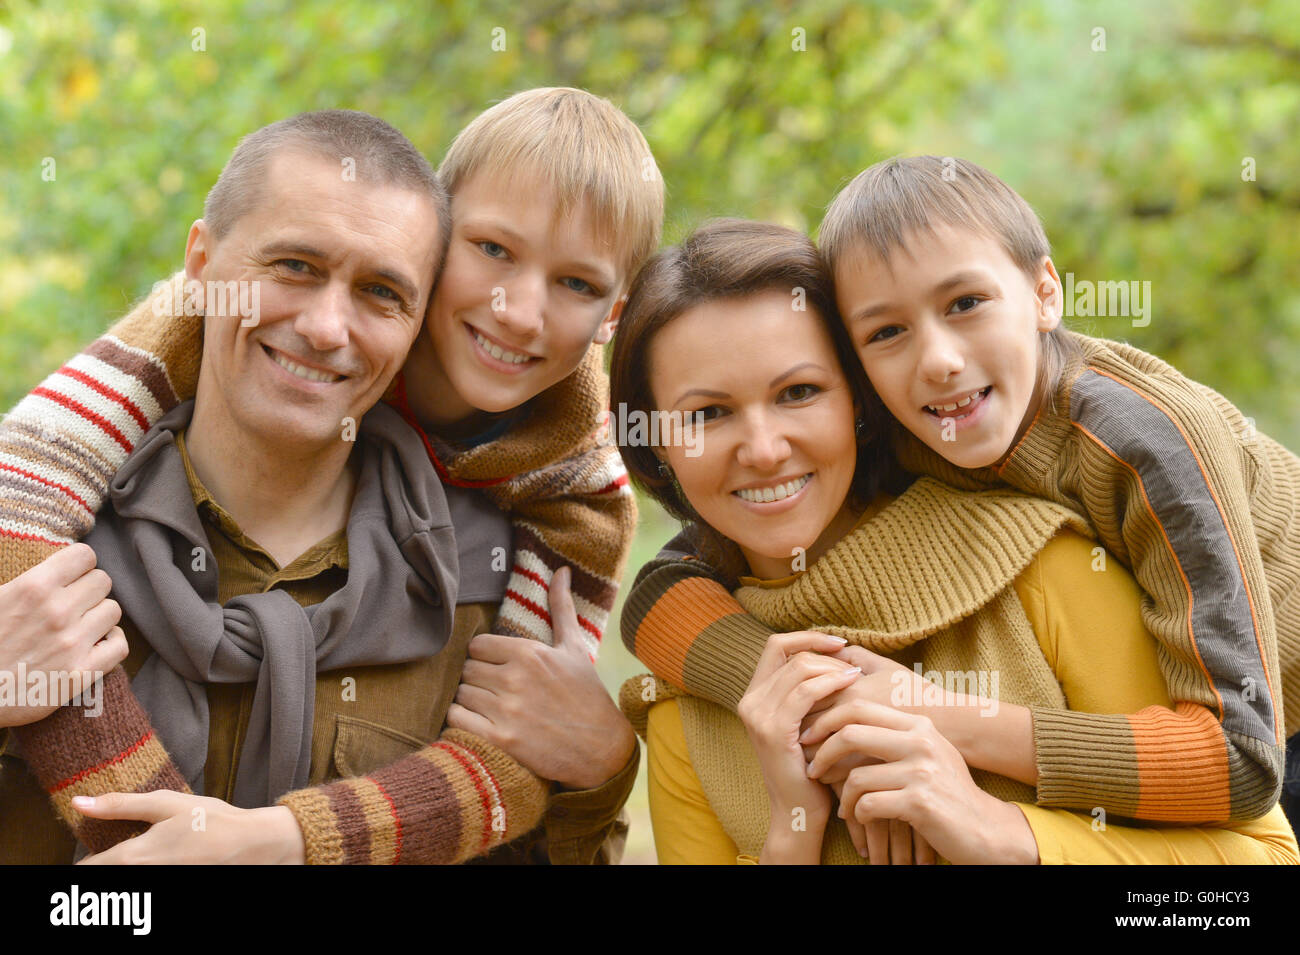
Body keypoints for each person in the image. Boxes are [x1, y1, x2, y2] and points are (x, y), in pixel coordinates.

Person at [1, 93, 662, 863]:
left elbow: (515, 783)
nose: (325, 327)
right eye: (294, 267)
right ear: (202, 264)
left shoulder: (504, 566)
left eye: (382, 291)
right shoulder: (50, 527)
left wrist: (603, 766)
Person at [621, 156, 1300, 831]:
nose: (939, 360)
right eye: (886, 332)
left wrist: (938, 713)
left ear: (1044, 294)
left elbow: (1241, 759)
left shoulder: (1145, 443)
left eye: (966, 303)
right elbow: (661, 587)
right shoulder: (921, 420)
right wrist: (815, 696)